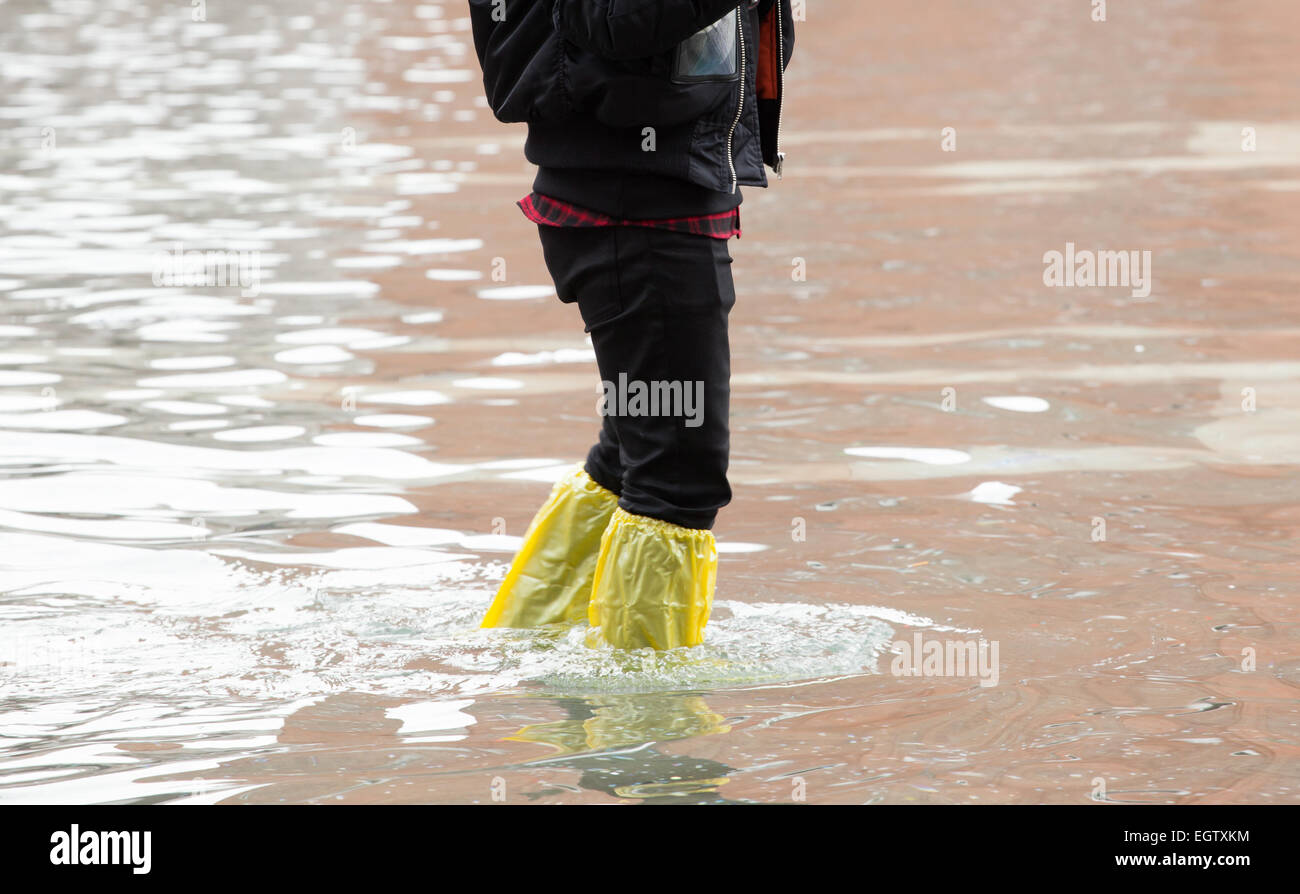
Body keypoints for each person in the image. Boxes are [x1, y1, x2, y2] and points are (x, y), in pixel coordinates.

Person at [469, 0, 794, 649]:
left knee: (633, 456)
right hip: (637, 208)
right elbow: (611, 20)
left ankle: (529, 644)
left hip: (651, 194)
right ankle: (646, 725)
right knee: (678, 481)